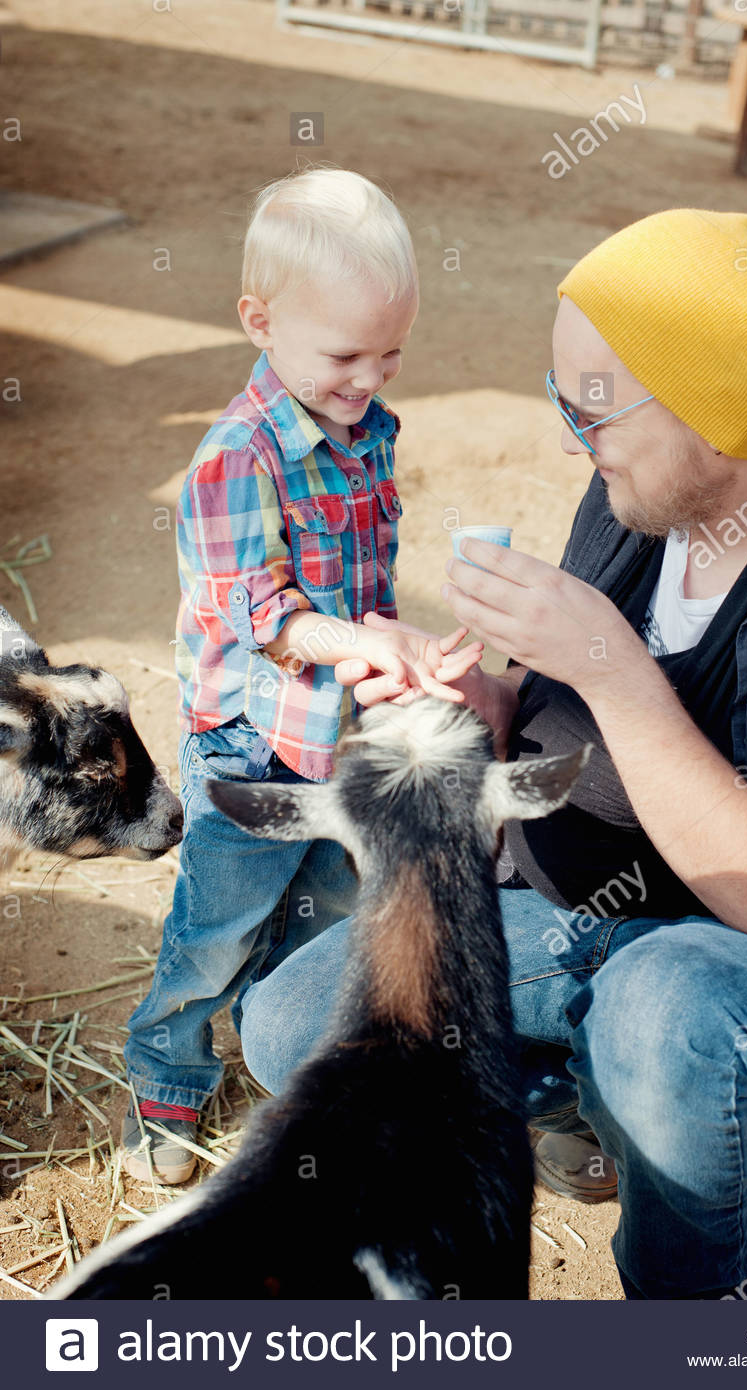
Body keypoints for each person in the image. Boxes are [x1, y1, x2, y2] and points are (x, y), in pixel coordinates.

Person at [236, 209, 747, 1299]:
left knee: (659, 1011)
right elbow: (551, 708)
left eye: (593, 408)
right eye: (563, 399)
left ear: (713, 410)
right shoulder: (643, 486)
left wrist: (611, 660)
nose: (573, 438)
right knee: (292, 1026)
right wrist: (477, 696)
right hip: (571, 903)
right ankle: (586, 1096)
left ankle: (688, 1313)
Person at [121, 169, 481, 1183]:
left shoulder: (366, 430)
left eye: (391, 351)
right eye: (345, 354)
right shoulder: (238, 458)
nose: (371, 376)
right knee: (219, 922)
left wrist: (397, 643)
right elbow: (267, 617)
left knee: (325, 909)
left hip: (335, 736)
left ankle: (281, 1045)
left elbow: (360, 581)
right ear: (258, 319)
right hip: (248, 737)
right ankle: (165, 1071)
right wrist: (367, 643)